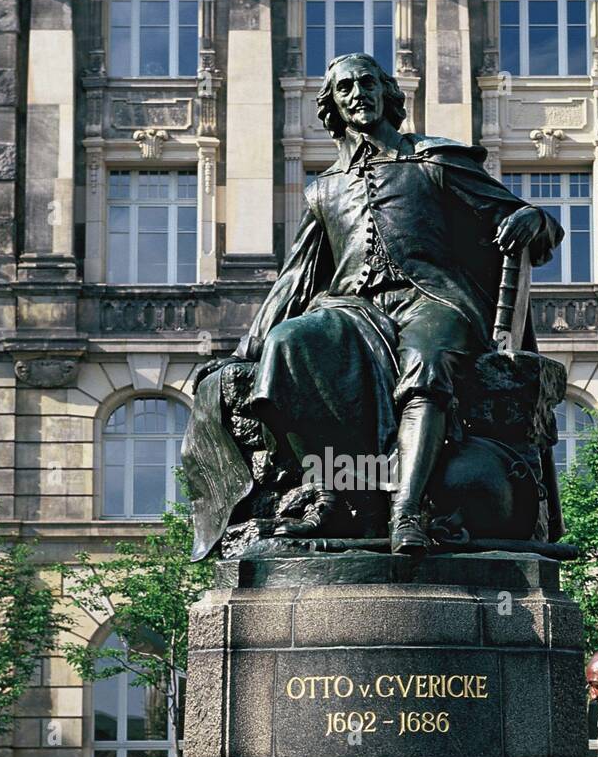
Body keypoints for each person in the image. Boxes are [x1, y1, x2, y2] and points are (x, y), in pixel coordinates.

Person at [185, 52, 565, 560]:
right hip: (351, 307)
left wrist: (533, 219)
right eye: (344, 89)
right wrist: (244, 350)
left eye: (366, 83)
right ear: (334, 107)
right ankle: (331, 491)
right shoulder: (325, 188)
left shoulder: (434, 160)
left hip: (433, 299)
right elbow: (295, 278)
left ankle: (406, 513)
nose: (357, 94)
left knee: (424, 365)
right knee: (287, 346)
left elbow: (531, 222)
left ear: (388, 93)